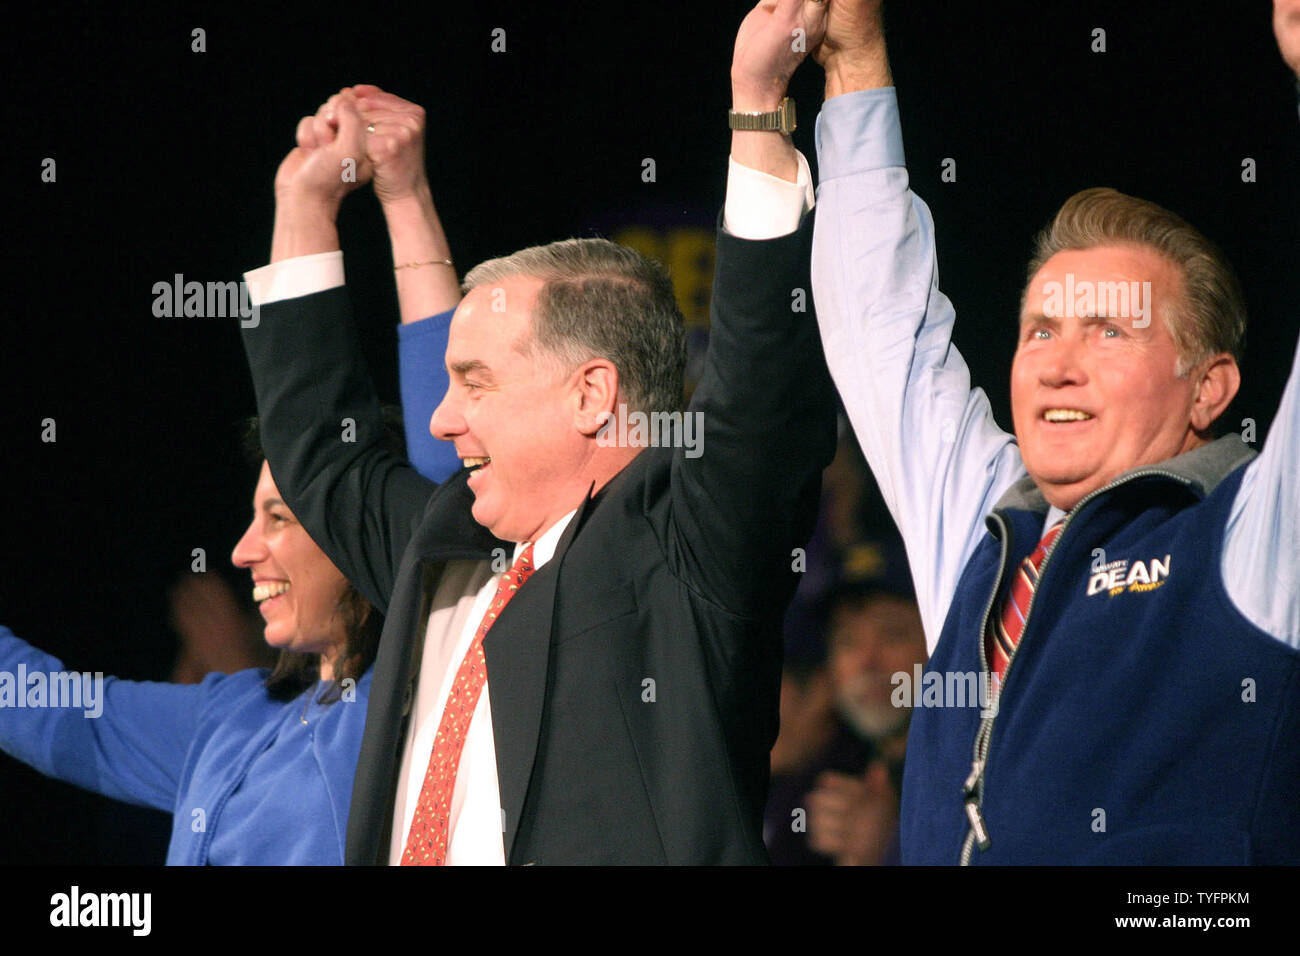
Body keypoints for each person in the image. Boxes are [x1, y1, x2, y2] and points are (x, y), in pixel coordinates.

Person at [239, 2, 838, 865]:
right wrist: (303, 205)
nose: (442, 420)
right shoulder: (442, 550)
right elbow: (317, 452)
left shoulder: (689, 544)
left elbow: (762, 391)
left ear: (593, 393)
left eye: (473, 382)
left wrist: (758, 107)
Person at [763, 0, 1300, 863]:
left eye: (1110, 330)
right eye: (1042, 329)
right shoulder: (984, 532)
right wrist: (856, 60)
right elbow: (881, 329)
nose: (1058, 363)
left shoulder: (1256, 535)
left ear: (1210, 388)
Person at [0, 88, 460, 864]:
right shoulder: (233, 717)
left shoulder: (430, 690)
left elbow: (449, 472)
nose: (244, 552)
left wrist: (395, 197)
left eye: (280, 517)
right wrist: (301, 194)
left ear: (363, 527)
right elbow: (40, 710)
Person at [765, 535, 926, 865]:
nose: (867, 662)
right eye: (848, 641)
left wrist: (893, 846)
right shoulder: (819, 785)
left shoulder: (978, 761)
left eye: (893, 634)